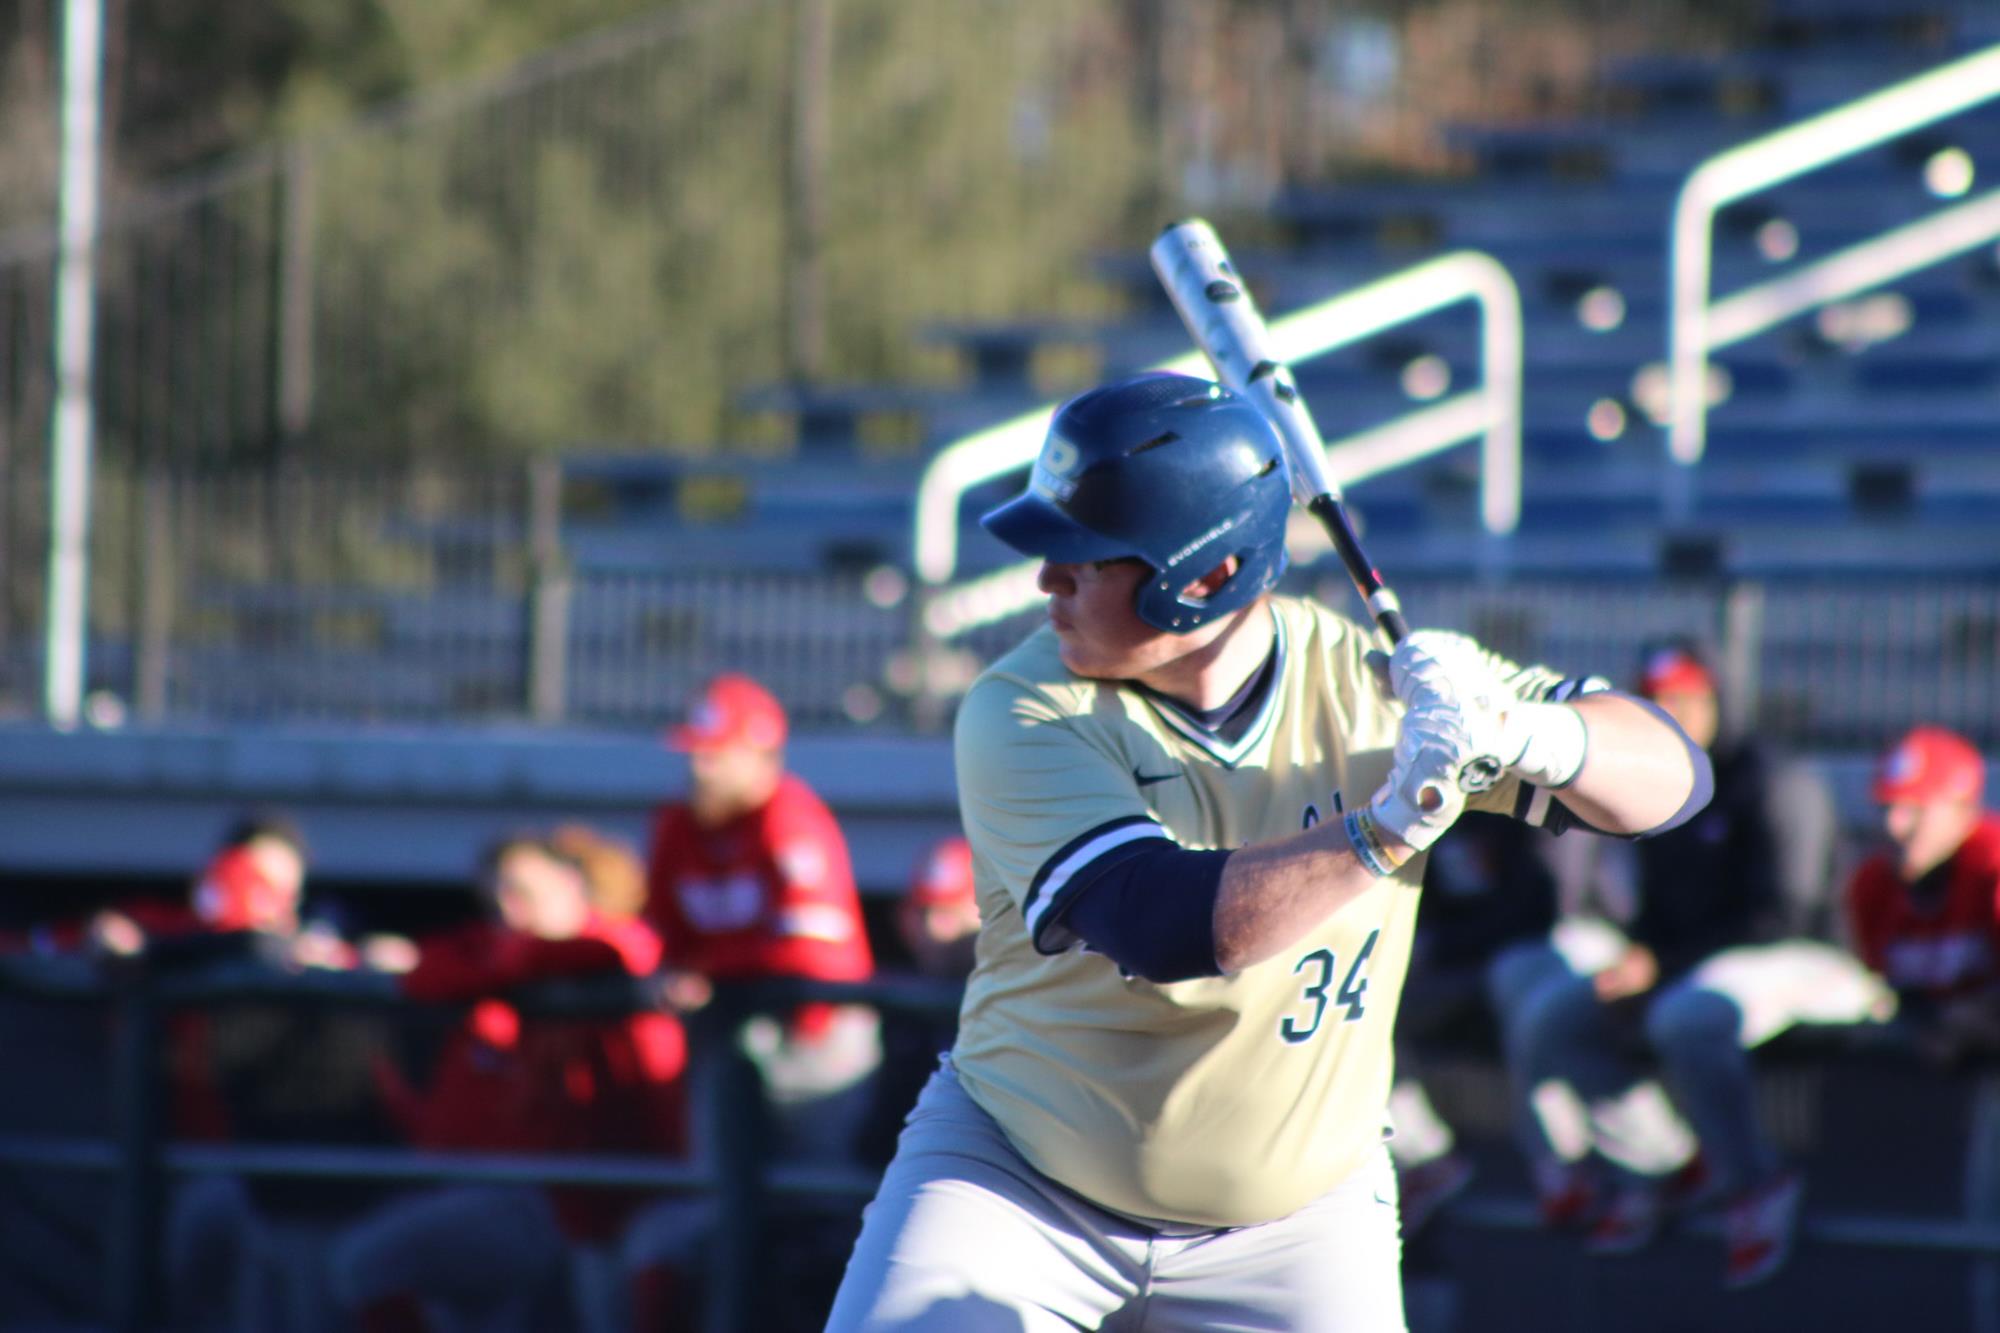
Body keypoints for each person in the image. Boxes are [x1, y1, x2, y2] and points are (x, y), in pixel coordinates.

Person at [824, 371, 1711, 1331]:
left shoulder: (1370, 682)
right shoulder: (1022, 703)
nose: (1047, 580)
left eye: (1086, 557)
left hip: (1301, 1218)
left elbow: (1676, 781)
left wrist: (1523, 731)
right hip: (1021, 1179)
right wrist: (1384, 829)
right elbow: (1159, 921)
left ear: (1201, 578)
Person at [1511, 642, 1891, 1288]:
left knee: (1685, 1015)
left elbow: (1785, 915)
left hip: (1817, 962)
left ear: (1719, 701)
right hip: (1701, 963)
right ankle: (1663, 1166)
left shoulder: (1775, 778)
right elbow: (1659, 913)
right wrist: (1638, 957)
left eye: (1687, 698)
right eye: (1657, 701)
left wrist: (1659, 963)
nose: (1672, 713)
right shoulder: (1666, 782)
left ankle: (1756, 1181)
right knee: (1558, 1014)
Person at [330, 833, 691, 1333]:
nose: (510, 912)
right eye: (499, 898)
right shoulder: (517, 959)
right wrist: (499, 962)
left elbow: (603, 954)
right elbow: (429, 976)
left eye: (524, 891)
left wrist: (501, 963)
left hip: (637, 1189)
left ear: (569, 883)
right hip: (565, 1195)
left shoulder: (613, 942)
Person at [644, 672, 879, 1162]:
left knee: (817, 1190)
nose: (700, 768)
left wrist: (707, 969)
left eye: (717, 754)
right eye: (694, 752)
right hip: (729, 1027)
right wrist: (671, 971)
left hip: (814, 1034)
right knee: (720, 1185)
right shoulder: (676, 823)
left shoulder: (790, 818)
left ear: (762, 755)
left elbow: (810, 952)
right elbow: (662, 931)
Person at [1844, 725, 2000, 1062]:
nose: (1894, 826)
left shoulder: (1992, 868)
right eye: (1887, 808)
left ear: (1963, 809)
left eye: (1916, 809)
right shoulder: (1872, 884)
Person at [856, 836, 982, 1169]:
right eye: (923, 911)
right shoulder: (899, 1005)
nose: (932, 928)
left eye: (949, 912)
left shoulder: (1011, 1000)